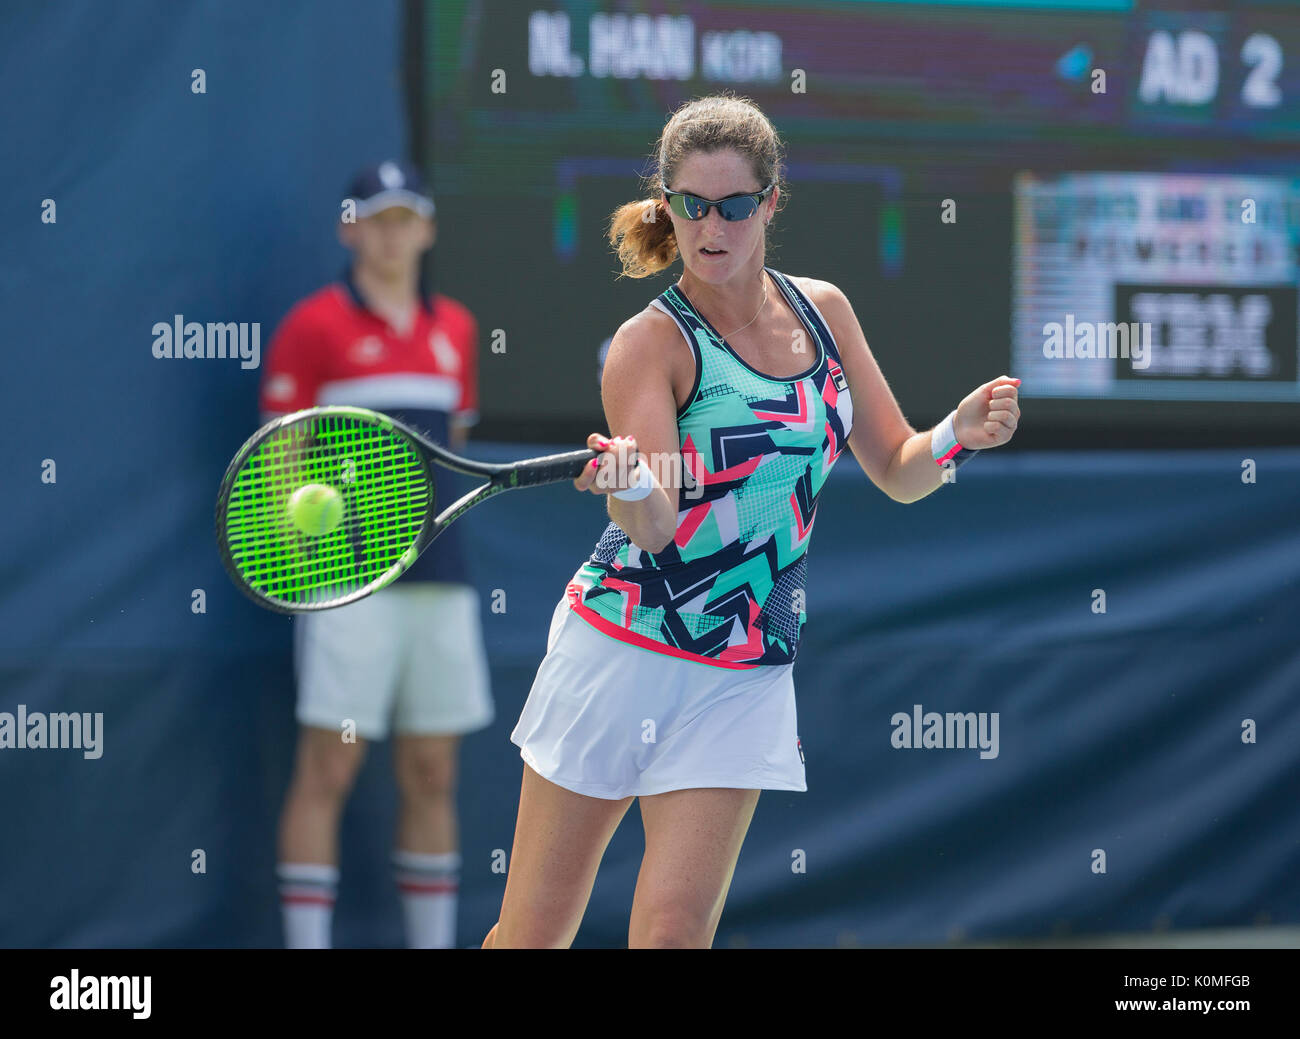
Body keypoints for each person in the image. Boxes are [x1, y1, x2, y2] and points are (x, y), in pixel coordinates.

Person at [480, 94, 1020, 949]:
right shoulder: (647, 346)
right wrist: (626, 484)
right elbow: (655, 526)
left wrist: (957, 434)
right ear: (669, 206)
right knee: (533, 936)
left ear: (771, 202)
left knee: (672, 936)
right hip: (620, 653)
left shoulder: (826, 312)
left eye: (734, 205)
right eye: (692, 205)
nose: (712, 225)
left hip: (743, 669)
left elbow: (899, 470)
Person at [261, 160, 493, 949]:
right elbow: (281, 464)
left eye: (407, 218)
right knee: (329, 767)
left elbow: (451, 446)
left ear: (426, 230)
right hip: (346, 587)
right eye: (377, 217)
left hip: (442, 582)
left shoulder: (455, 329)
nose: (392, 234)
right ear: (349, 227)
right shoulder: (313, 326)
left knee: (433, 771)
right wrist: (317, 558)